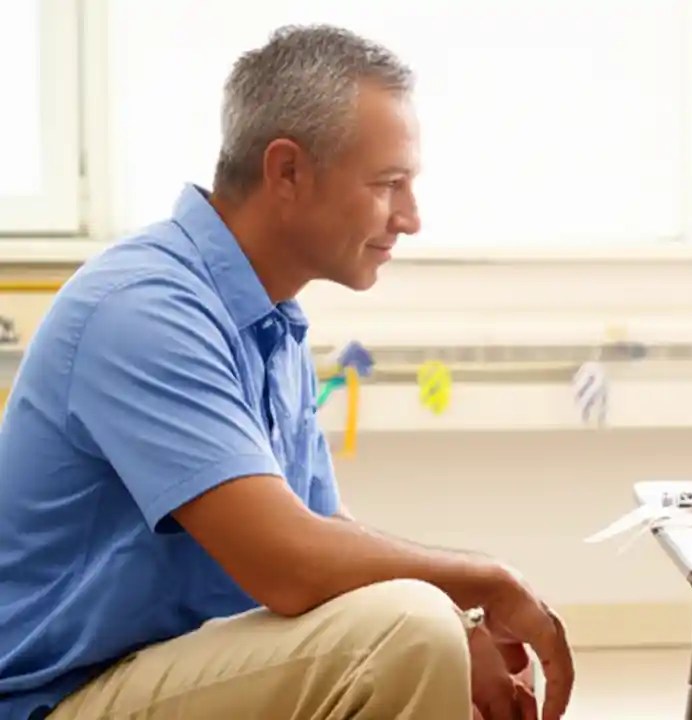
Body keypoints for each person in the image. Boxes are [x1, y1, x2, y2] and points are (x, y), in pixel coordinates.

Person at [0, 25, 573, 720]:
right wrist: (484, 584)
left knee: (421, 627)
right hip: (53, 699)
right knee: (407, 632)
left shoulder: (269, 323)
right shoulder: (142, 311)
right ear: (288, 172)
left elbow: (322, 532)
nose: (411, 217)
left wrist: (466, 628)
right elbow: (287, 563)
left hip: (154, 668)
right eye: (389, 184)